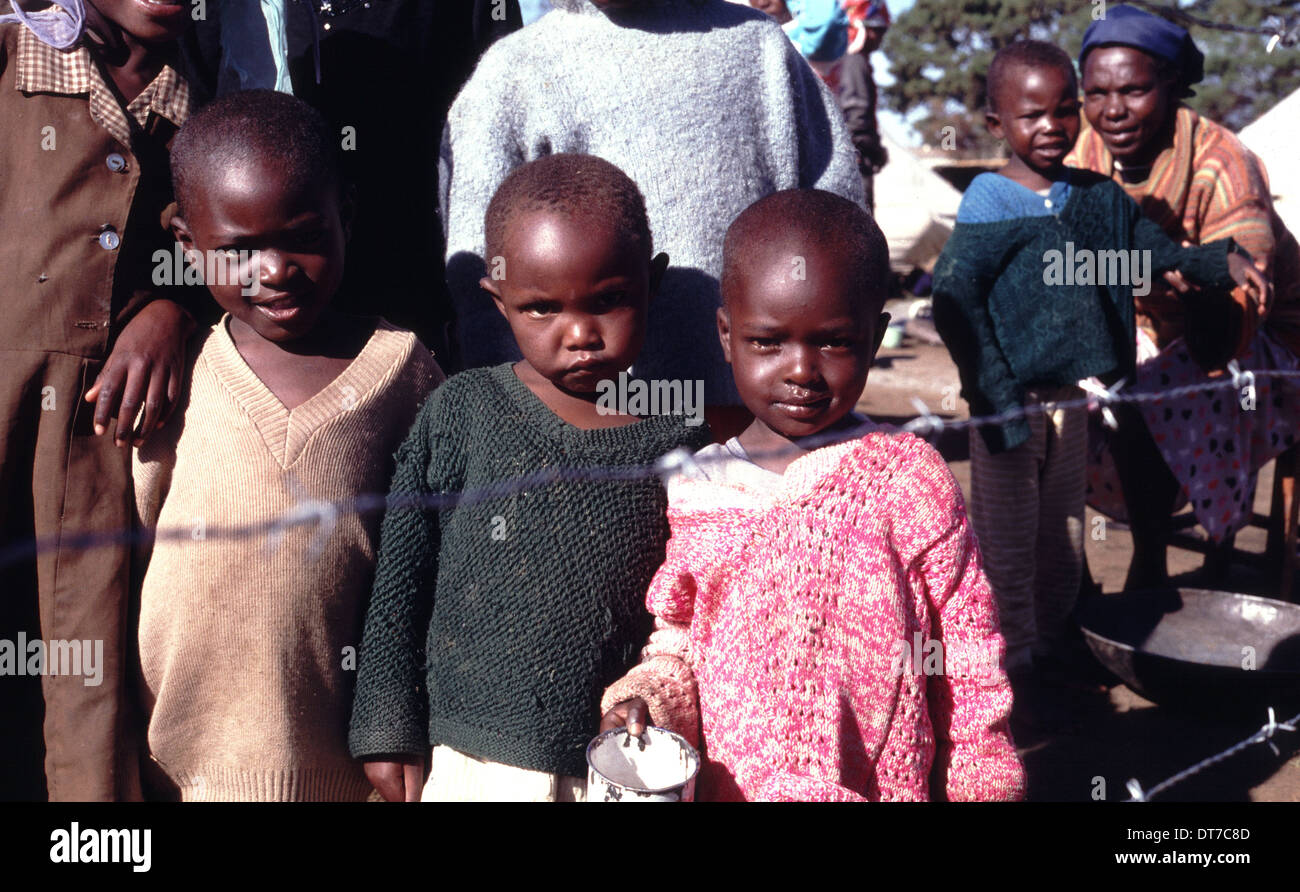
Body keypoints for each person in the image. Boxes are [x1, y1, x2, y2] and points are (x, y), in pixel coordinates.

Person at [600, 189, 1025, 801]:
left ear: (875, 337)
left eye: (833, 341)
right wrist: (650, 698)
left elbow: (965, 658)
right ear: (727, 335)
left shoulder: (908, 481)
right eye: (768, 342)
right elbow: (681, 638)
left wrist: (982, 783)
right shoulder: (701, 489)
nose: (801, 369)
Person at [349, 154, 713, 802]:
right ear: (499, 303)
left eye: (608, 302)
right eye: (542, 308)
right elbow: (401, 575)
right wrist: (385, 723)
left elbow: (688, 611)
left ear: (650, 286)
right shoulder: (463, 412)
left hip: (621, 769)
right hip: (473, 762)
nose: (579, 334)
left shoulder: (678, 437)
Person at [930, 41, 1266, 713]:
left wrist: (1214, 263)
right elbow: (954, 299)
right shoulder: (990, 204)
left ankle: (1053, 645)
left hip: (1073, 400)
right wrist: (992, 393)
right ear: (997, 122)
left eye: (1063, 111)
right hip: (1008, 404)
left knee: (1063, 534)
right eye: (1032, 115)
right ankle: (1012, 662)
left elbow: (1154, 251)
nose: (1052, 128)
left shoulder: (1097, 198)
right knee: (1009, 539)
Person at [132, 90, 443, 801]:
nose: (272, 271)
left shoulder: (404, 374)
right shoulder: (172, 377)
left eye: (301, 236)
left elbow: (429, 566)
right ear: (186, 244)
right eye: (238, 249)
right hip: (180, 779)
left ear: (348, 218)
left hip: (346, 778)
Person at [440, 0, 863, 440]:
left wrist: (825, 359)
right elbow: (479, 271)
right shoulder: (516, 70)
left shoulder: (758, 47)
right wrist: (513, 412)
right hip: (583, 428)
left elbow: (833, 222)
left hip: (751, 422)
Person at [0, 0, 203, 801]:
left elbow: (211, 246)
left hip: (96, 432)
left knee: (85, 674)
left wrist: (171, 308)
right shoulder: (15, 62)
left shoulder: (194, 102)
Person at [1066, 5, 1300, 587]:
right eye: (1096, 94)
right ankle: (1083, 573)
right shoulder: (1083, 156)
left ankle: (1201, 558)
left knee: (1182, 387)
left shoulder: (1223, 161)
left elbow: (1241, 305)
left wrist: (1188, 287)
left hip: (1262, 335)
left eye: (1134, 90)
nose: (1112, 111)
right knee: (1073, 389)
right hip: (1146, 322)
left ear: (1170, 86)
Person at [175, 0, 522, 364]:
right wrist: (163, 307)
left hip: (423, 304)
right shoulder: (211, 13)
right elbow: (177, 161)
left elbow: (500, 155)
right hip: (251, 330)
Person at [837, 0, 890, 214]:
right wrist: (874, 149)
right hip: (855, 165)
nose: (878, 37)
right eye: (874, 29)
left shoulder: (844, 60)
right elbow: (857, 120)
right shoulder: (854, 62)